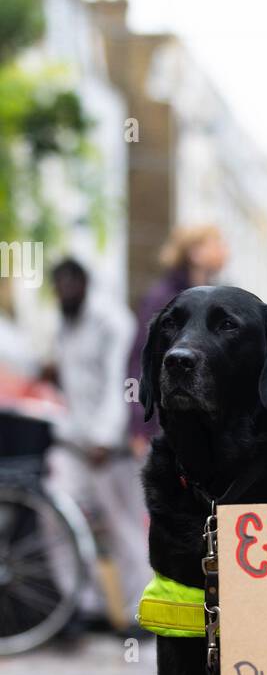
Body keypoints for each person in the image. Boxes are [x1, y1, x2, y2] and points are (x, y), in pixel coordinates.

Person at [45, 258, 151, 634]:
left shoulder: (112, 320)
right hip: (74, 442)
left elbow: (119, 382)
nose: (64, 292)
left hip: (112, 446)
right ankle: (85, 605)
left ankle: (138, 611)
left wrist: (106, 437)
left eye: (71, 284)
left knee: (124, 527)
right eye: (58, 286)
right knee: (56, 515)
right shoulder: (63, 323)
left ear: (86, 283)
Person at [128, 223, 229, 450]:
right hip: (162, 426)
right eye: (217, 243)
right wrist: (138, 424)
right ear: (195, 252)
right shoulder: (162, 298)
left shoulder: (216, 297)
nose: (225, 250)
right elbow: (138, 362)